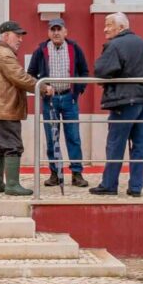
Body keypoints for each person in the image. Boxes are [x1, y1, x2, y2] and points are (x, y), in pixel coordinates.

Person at [90, 13, 143, 197]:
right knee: (140, 145)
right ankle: (136, 187)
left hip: (125, 101)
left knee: (116, 144)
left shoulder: (114, 45)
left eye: (109, 25)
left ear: (120, 27)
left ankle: (109, 184)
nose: (105, 29)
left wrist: (108, 81)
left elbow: (101, 70)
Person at [0, 20, 40, 196]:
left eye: (21, 35)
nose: (20, 39)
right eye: (17, 35)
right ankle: (12, 185)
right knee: (13, 146)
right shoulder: (5, 54)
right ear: (5, 35)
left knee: (1, 146)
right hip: (5, 107)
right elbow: (20, 77)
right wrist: (42, 87)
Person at [26, 18, 90, 188]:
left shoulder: (74, 48)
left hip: (70, 98)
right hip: (50, 100)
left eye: (59, 29)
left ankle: (77, 173)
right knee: (51, 137)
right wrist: (42, 88)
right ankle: (55, 173)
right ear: (48, 32)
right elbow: (30, 74)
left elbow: (84, 71)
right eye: (52, 30)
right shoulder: (41, 50)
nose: (55, 33)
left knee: (74, 137)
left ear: (65, 32)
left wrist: (79, 89)